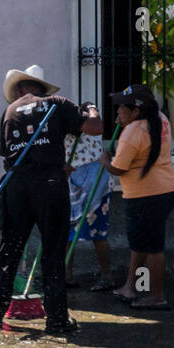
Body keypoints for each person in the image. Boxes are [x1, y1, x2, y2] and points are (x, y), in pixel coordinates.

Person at [0, 65, 102, 334]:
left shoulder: (9, 112)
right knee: (52, 251)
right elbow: (95, 127)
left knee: (9, 250)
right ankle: (57, 318)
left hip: (17, 186)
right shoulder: (56, 104)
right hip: (50, 187)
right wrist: (92, 107)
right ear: (39, 88)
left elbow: (10, 156)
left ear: (20, 89)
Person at [100, 84, 174, 309]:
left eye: (121, 109)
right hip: (164, 190)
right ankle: (132, 286)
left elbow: (119, 168)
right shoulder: (160, 119)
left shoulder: (133, 132)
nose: (117, 113)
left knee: (152, 247)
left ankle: (157, 297)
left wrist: (105, 160)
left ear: (135, 111)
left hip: (145, 195)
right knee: (141, 245)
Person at [66, 104, 116, 290]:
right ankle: (66, 275)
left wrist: (91, 109)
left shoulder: (93, 125)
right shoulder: (66, 124)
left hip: (96, 182)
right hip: (72, 180)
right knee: (67, 233)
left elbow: (97, 127)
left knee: (98, 232)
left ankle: (106, 276)